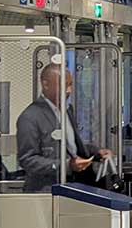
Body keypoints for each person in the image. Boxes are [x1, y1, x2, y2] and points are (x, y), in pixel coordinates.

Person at [16, 64, 111, 193]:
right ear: (46, 84)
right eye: (64, 85)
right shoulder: (30, 117)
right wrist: (65, 165)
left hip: (75, 186)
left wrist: (96, 152)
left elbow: (71, 147)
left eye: (70, 84)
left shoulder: (67, 110)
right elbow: (28, 160)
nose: (69, 90)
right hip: (48, 191)